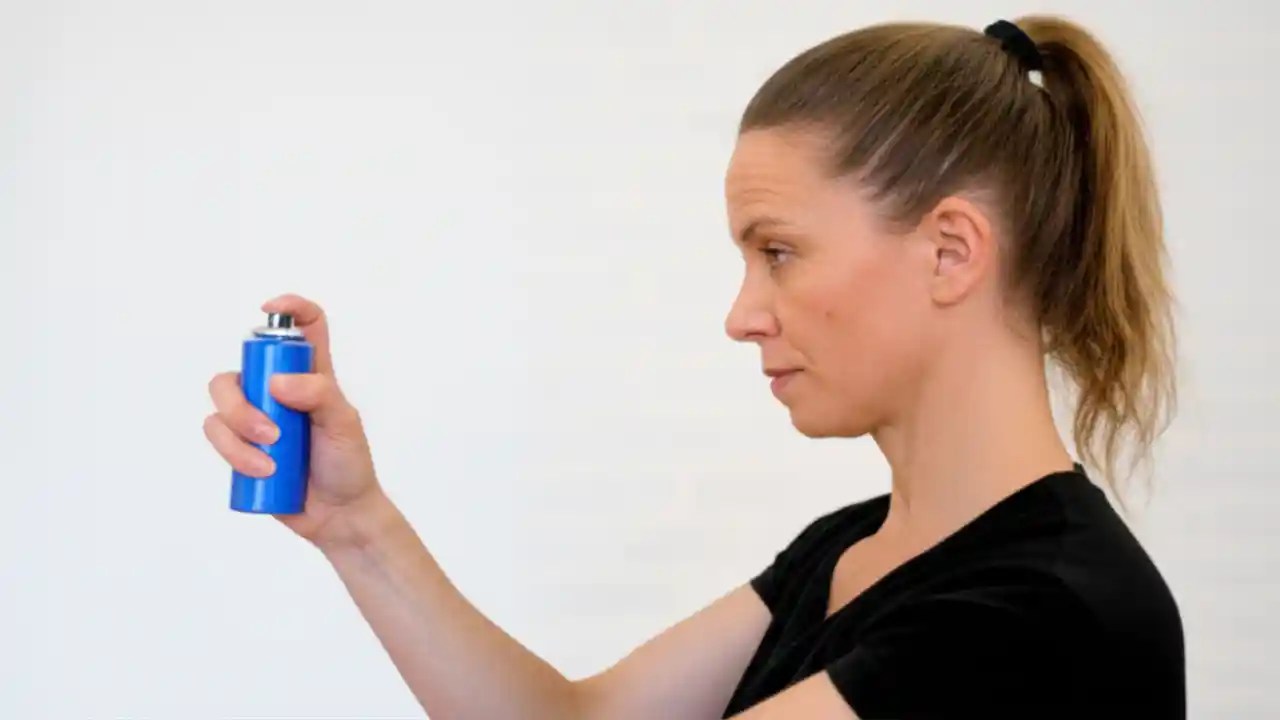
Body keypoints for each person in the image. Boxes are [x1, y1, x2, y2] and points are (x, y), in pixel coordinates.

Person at [202, 14, 1183, 719]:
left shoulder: (1043, 618)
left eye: (778, 252)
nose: (742, 315)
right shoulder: (842, 553)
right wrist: (354, 527)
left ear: (949, 252)